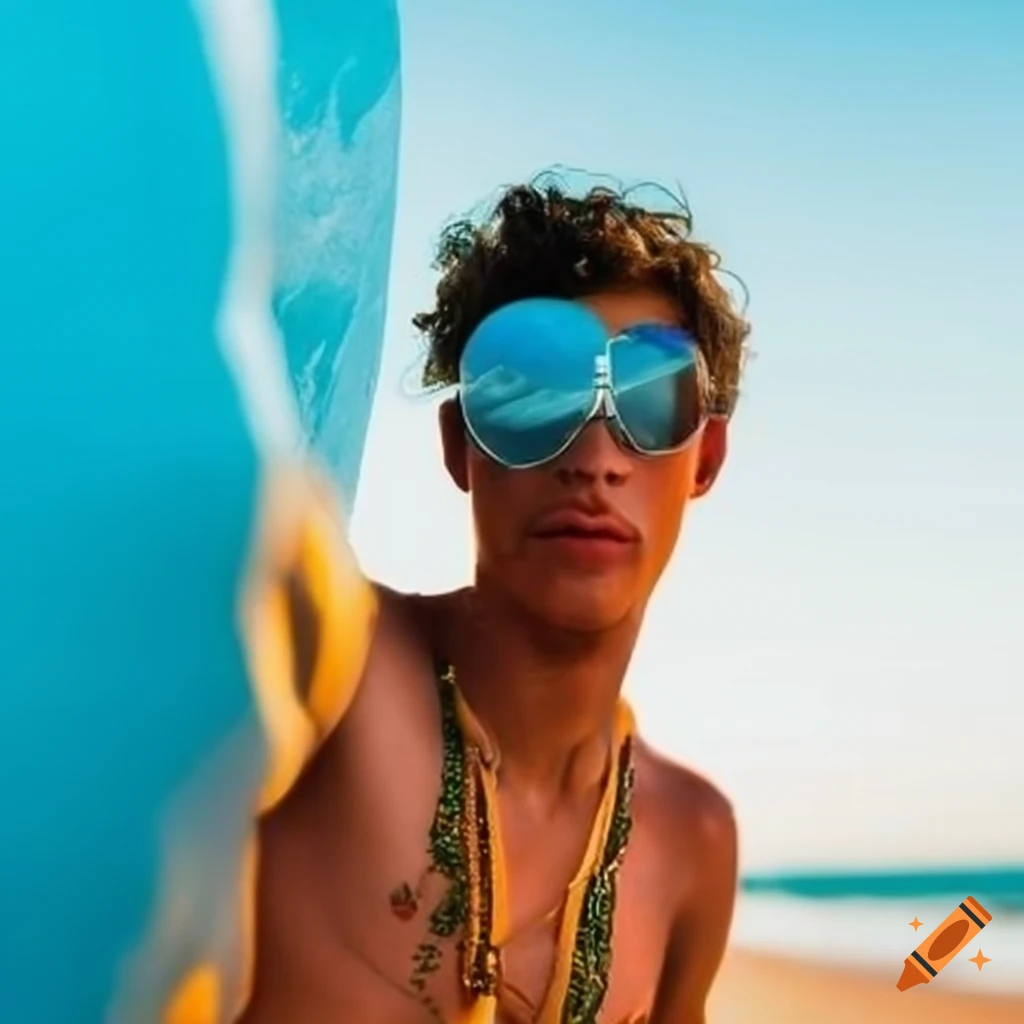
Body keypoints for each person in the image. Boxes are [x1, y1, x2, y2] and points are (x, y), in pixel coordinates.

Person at [239, 178, 751, 1024]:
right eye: (530, 396)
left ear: (704, 460)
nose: (594, 459)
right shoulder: (325, 671)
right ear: (459, 446)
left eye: (651, 400)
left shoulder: (693, 844)